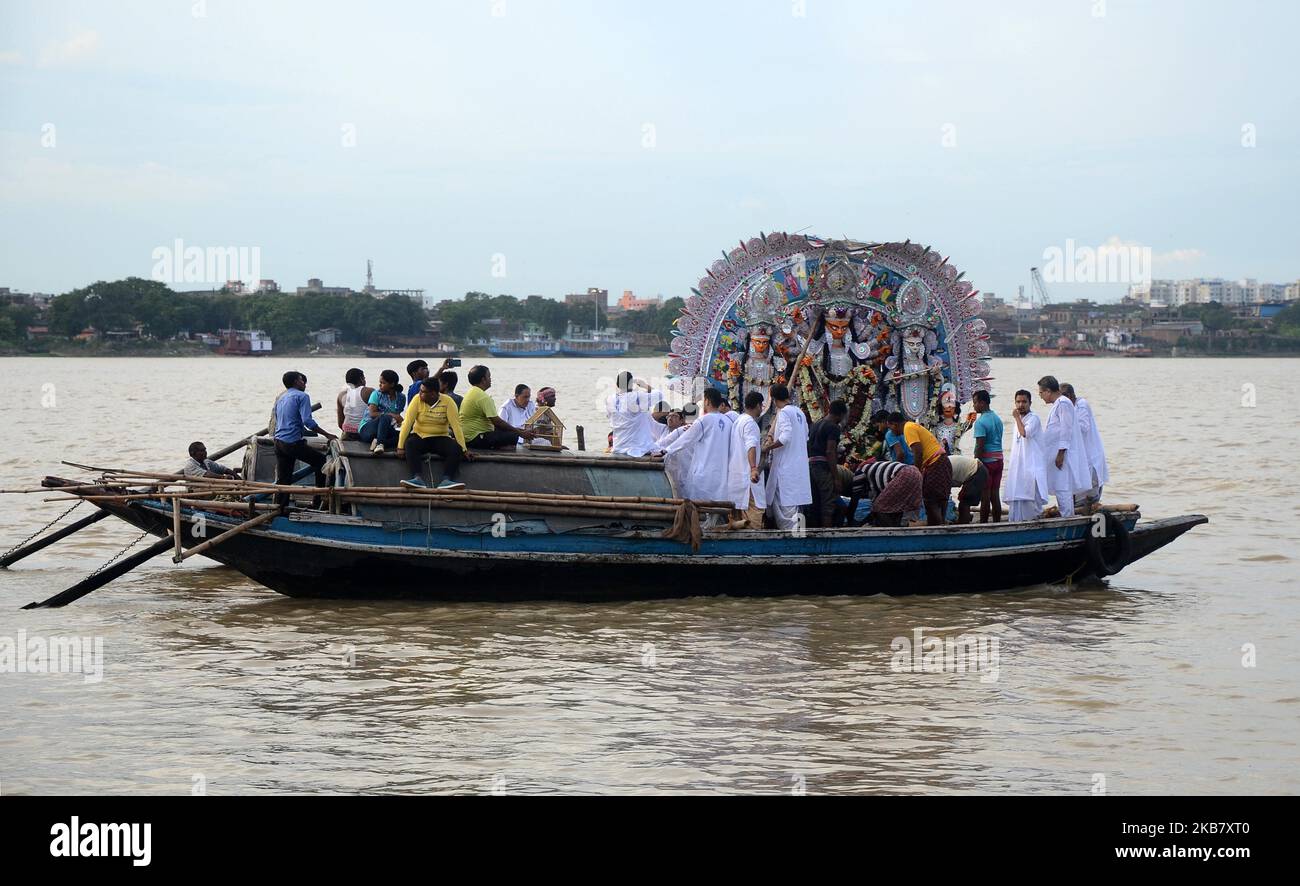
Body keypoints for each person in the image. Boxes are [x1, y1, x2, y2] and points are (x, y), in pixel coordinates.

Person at [396, 376, 473, 490]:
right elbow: (407, 424)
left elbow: (456, 426)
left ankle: (447, 480)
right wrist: (400, 446)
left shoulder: (448, 401)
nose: (419, 393)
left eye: (423, 392)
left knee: (455, 448)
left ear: (432, 394)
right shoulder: (417, 400)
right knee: (410, 444)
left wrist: (464, 449)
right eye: (420, 390)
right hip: (420, 436)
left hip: (440, 437)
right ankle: (417, 479)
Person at [273, 371, 336, 507]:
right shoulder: (302, 396)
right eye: (302, 380)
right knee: (321, 461)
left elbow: (281, 420)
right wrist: (327, 435)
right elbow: (308, 421)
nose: (304, 383)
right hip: (291, 442)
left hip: (278, 442)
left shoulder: (281, 398)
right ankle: (318, 501)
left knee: (284, 478)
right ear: (296, 381)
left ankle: (279, 508)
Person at [664, 387, 733, 504]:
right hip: (722, 476)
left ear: (707, 401)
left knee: (698, 510)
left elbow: (685, 440)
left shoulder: (703, 421)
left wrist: (666, 451)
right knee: (717, 511)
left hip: (704, 475)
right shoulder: (729, 422)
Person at [1038, 375, 1091, 517]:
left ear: (1048, 391)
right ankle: (1066, 515)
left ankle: (1067, 518)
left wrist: (1061, 453)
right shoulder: (1059, 404)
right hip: (1056, 454)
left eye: (1041, 393)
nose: (1041, 396)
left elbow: (1066, 429)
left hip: (1062, 455)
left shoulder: (1063, 403)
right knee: (1060, 486)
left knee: (1063, 487)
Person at [763, 384, 813, 530]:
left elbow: (785, 437)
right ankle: (798, 538)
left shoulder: (784, 412)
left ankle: (791, 542)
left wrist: (768, 447)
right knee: (795, 507)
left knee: (786, 508)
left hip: (786, 467)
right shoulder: (799, 412)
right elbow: (805, 437)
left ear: (773, 399)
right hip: (798, 467)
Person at [888, 411, 950, 526]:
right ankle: (939, 527)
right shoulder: (911, 426)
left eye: (890, 427)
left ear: (895, 424)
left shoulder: (908, 428)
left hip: (935, 462)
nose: (891, 431)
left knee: (930, 500)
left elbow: (918, 451)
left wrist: (916, 473)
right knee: (938, 499)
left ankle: (937, 530)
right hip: (939, 461)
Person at [459, 365, 537, 450]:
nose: (490, 379)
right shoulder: (483, 397)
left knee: (512, 432)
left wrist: (518, 430)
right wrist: (520, 433)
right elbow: (497, 422)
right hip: (475, 438)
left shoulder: (471, 392)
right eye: (489, 376)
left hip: (468, 437)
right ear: (483, 380)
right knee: (513, 436)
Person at [1061, 383, 1109, 510]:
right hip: (1081, 461)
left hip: (1090, 460)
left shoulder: (1081, 405)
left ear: (1070, 396)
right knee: (1075, 500)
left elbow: (1083, 427)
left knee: (1086, 503)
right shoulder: (1071, 407)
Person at [1005, 389, 1049, 521]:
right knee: (1018, 493)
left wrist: (1017, 418)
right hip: (1020, 466)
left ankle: (1032, 523)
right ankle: (1017, 522)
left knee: (1031, 496)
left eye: (1024, 402)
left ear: (1030, 403)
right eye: (1018, 402)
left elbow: (1025, 433)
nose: (1020, 405)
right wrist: (1018, 419)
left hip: (1032, 466)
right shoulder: (1019, 420)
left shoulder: (1033, 418)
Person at [727, 391, 766, 530]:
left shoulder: (738, 421)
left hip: (736, 477)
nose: (762, 409)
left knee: (739, 516)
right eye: (761, 406)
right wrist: (754, 468)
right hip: (748, 478)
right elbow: (751, 446)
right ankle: (754, 545)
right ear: (756, 405)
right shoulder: (750, 423)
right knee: (755, 511)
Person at [807, 399, 847, 528]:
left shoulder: (816, 424)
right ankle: (827, 535)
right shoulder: (833, 427)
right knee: (828, 503)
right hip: (823, 469)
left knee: (815, 502)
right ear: (840, 415)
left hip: (810, 467)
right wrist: (836, 477)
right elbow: (830, 451)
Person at [848, 461, 923, 527]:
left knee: (880, 507)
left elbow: (855, 499)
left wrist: (850, 520)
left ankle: (893, 531)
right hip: (916, 472)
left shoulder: (859, 472)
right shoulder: (875, 472)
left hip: (903, 474)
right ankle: (900, 526)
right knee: (895, 507)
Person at [607, 371, 664, 457]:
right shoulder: (637, 396)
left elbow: (609, 416)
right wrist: (644, 385)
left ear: (617, 384)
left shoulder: (610, 399)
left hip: (618, 447)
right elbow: (660, 395)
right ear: (631, 384)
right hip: (638, 448)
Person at [971, 390, 1004, 523]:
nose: (974, 406)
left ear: (982, 403)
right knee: (995, 494)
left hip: (987, 462)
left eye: (975, 402)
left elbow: (980, 446)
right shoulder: (997, 418)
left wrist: (975, 462)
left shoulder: (980, 422)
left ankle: (983, 524)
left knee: (985, 496)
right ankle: (997, 523)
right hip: (999, 459)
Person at [359, 369, 406, 452]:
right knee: (385, 417)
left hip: (386, 429)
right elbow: (372, 414)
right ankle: (380, 444)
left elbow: (396, 419)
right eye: (380, 382)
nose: (380, 385)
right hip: (368, 429)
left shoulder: (401, 397)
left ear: (392, 384)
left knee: (405, 436)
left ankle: (380, 442)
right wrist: (393, 415)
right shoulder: (376, 394)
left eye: (383, 383)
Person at [948, 454, 987, 525]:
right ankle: (964, 520)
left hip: (977, 471)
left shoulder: (942, 470)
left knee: (964, 503)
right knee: (964, 501)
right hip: (977, 470)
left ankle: (963, 525)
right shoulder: (943, 464)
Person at [336, 368, 374, 441]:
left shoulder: (341, 395)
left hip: (346, 433)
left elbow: (340, 423)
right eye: (364, 378)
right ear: (361, 379)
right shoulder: (368, 391)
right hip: (363, 433)